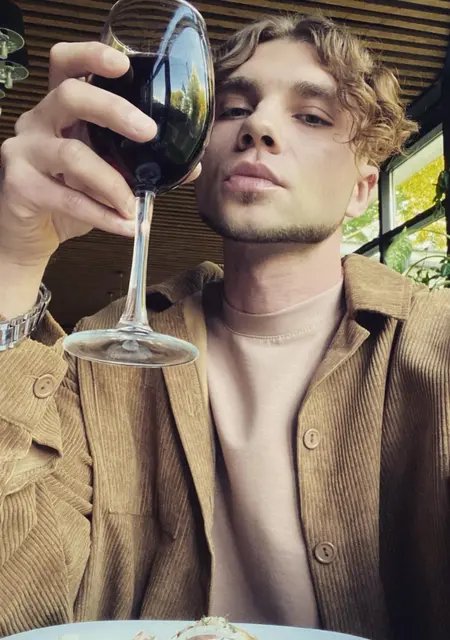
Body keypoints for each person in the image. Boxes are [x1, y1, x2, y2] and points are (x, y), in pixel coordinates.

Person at [0, 10, 448, 640]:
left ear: (362, 190)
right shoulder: (97, 357)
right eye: (234, 110)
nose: (258, 126)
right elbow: (19, 600)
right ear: (197, 155)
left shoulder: (436, 345)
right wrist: (13, 263)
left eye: (312, 116)